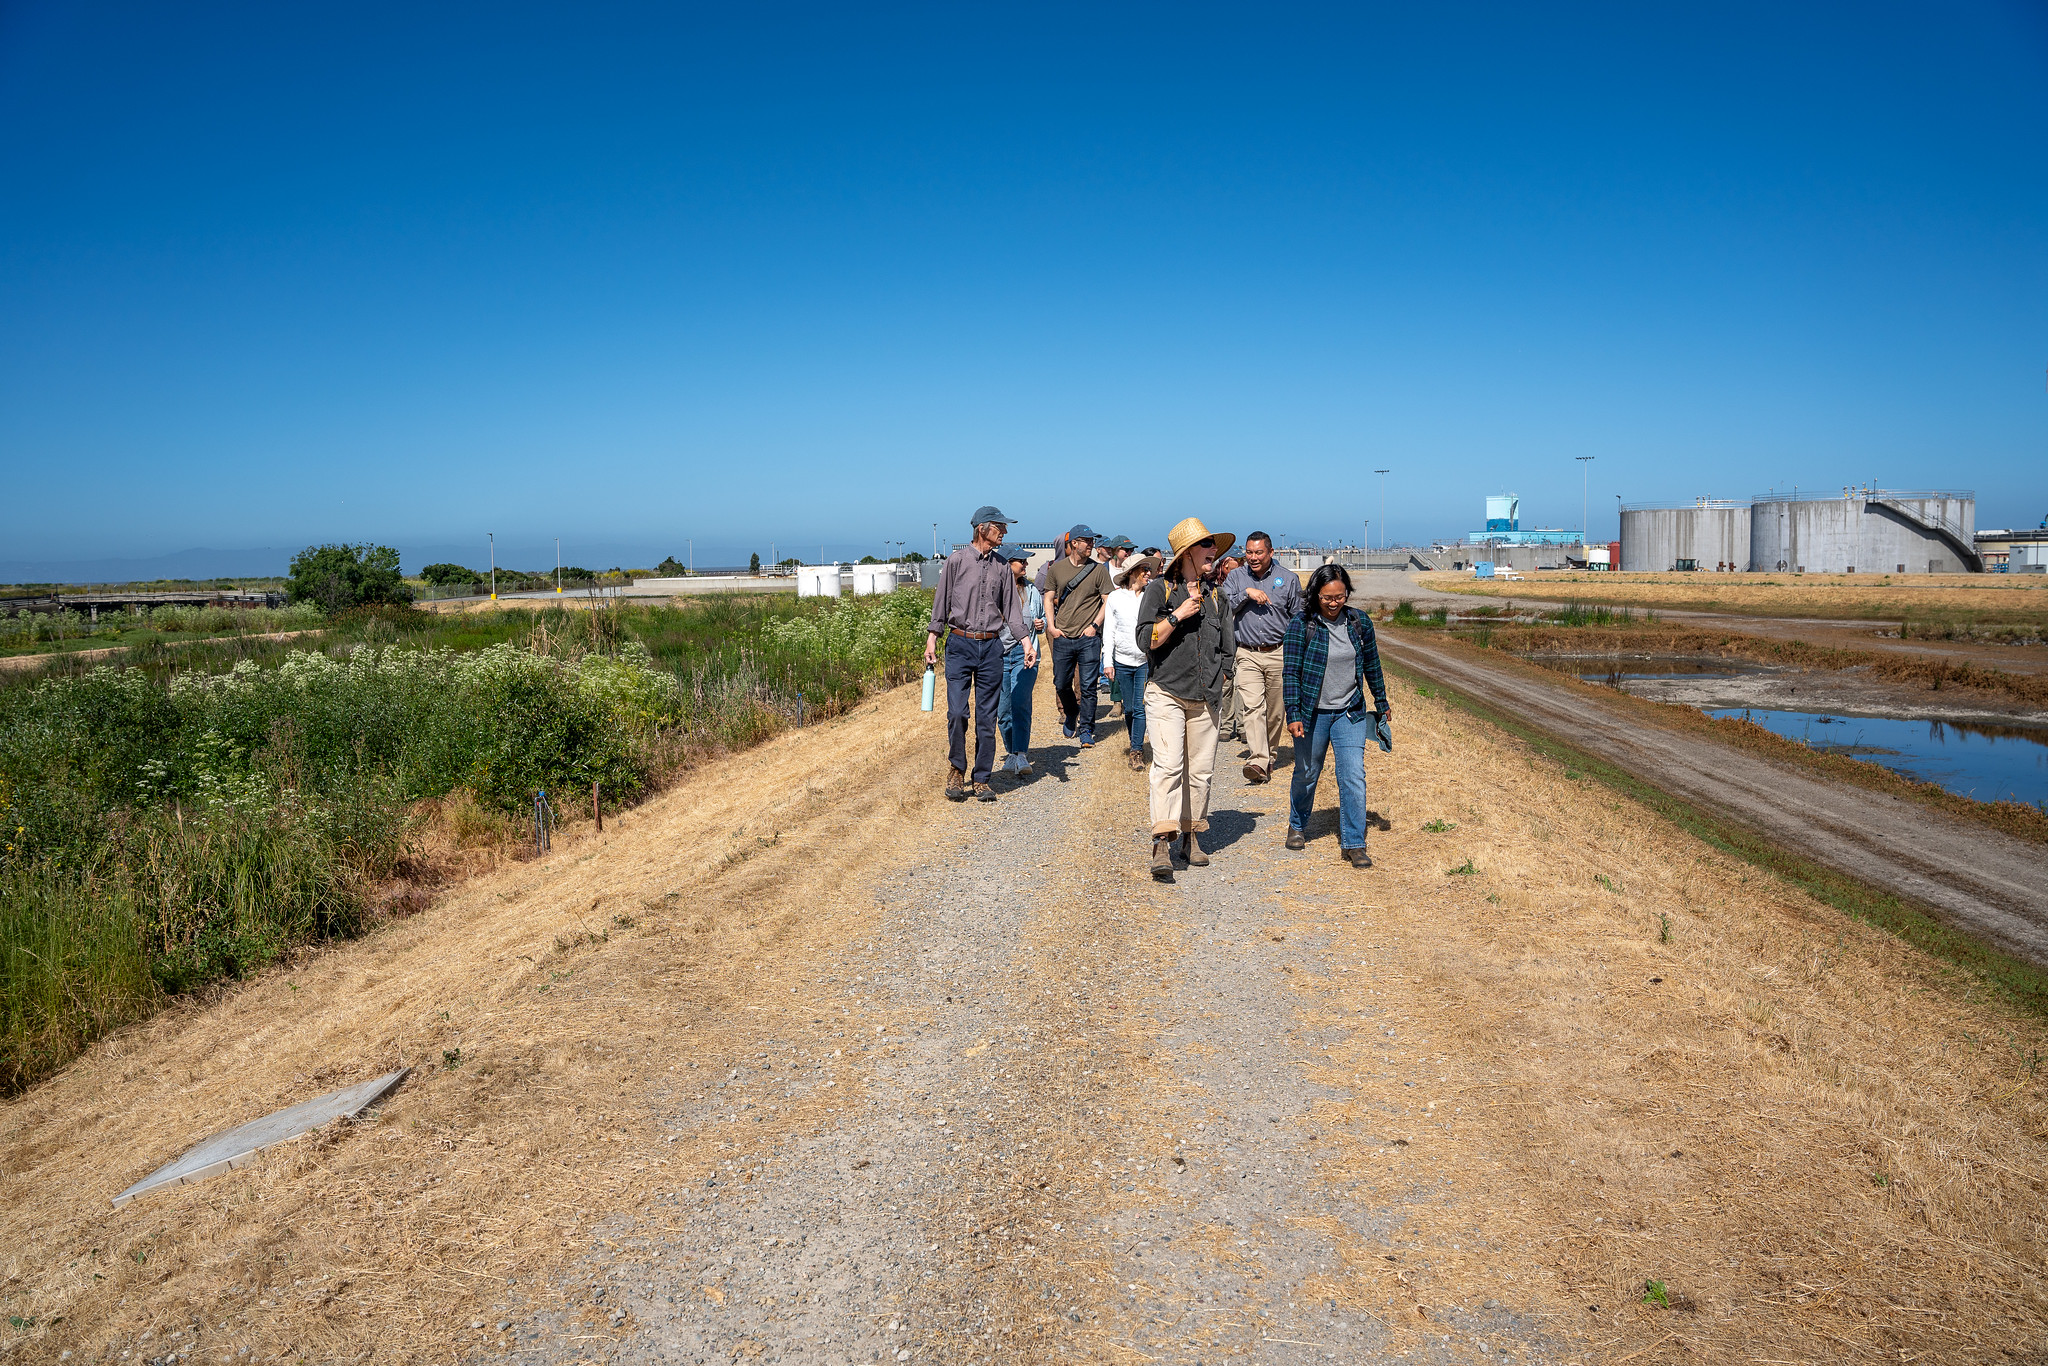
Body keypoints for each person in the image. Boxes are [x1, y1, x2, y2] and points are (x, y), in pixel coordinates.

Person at [1136, 519, 1237, 879]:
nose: (1214, 550)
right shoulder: (1159, 591)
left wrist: (1225, 674)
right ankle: (1162, 841)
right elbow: (1145, 640)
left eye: (1214, 544)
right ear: (1187, 554)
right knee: (1168, 767)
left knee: (1202, 771)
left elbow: (1228, 644)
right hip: (1166, 690)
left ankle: (1192, 835)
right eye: (1206, 545)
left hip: (1207, 695)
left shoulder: (1217, 596)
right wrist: (1177, 616)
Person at [1281, 564, 1391, 867]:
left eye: (1340, 597)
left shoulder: (1359, 622)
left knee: (1353, 776)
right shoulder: (1301, 625)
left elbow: (1372, 665)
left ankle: (1354, 842)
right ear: (1315, 594)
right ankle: (1298, 825)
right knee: (1307, 773)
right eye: (1327, 597)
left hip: (1350, 713)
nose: (1333, 603)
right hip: (1311, 713)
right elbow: (1290, 673)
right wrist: (1293, 713)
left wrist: (1381, 703)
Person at [925, 507, 1035, 802]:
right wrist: (932, 640)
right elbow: (941, 602)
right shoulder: (956, 561)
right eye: (1000, 526)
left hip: (991, 648)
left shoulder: (1002, 567)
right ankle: (956, 770)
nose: (1005, 532)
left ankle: (982, 778)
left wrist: (1026, 643)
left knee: (987, 718)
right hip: (959, 645)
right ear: (982, 528)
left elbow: (1012, 610)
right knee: (958, 713)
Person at [1223, 531, 1305, 784]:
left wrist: (1297, 653)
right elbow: (1223, 608)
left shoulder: (1288, 580)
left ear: (1271, 553)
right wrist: (1246, 593)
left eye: (1259, 552)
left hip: (1278, 652)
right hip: (1247, 652)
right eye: (1249, 552)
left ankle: (1269, 756)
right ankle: (1258, 759)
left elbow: (1299, 618)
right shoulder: (1235, 577)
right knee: (1252, 706)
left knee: (1276, 712)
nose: (1253, 557)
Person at [1045, 524, 1113, 748]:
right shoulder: (1057, 569)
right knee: (1061, 683)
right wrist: (1052, 627)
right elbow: (1048, 598)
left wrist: (1095, 625)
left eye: (1093, 541)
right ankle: (1071, 713)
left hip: (1088, 638)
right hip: (1063, 636)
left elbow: (1107, 601)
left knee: (1088, 686)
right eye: (1087, 541)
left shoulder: (1099, 571)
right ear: (1074, 543)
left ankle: (1087, 730)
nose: (1092, 545)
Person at [1103, 554, 1161, 772]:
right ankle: (1135, 739)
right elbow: (1109, 632)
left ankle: (1136, 751)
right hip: (1122, 661)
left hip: (1145, 661)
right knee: (1129, 708)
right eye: (1144, 569)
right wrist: (1107, 662)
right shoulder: (1116, 598)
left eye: (1149, 569)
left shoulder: (1150, 596)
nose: (1148, 573)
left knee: (1139, 707)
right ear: (1131, 573)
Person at [997, 547, 1046, 776]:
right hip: (998, 655)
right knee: (1003, 711)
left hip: (1024, 653)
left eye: (1026, 562)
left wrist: (1041, 624)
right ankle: (1010, 753)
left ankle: (1021, 754)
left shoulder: (1032, 590)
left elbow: (1042, 618)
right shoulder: (995, 590)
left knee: (1020, 702)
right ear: (1008, 563)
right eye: (1021, 561)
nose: (1025, 565)